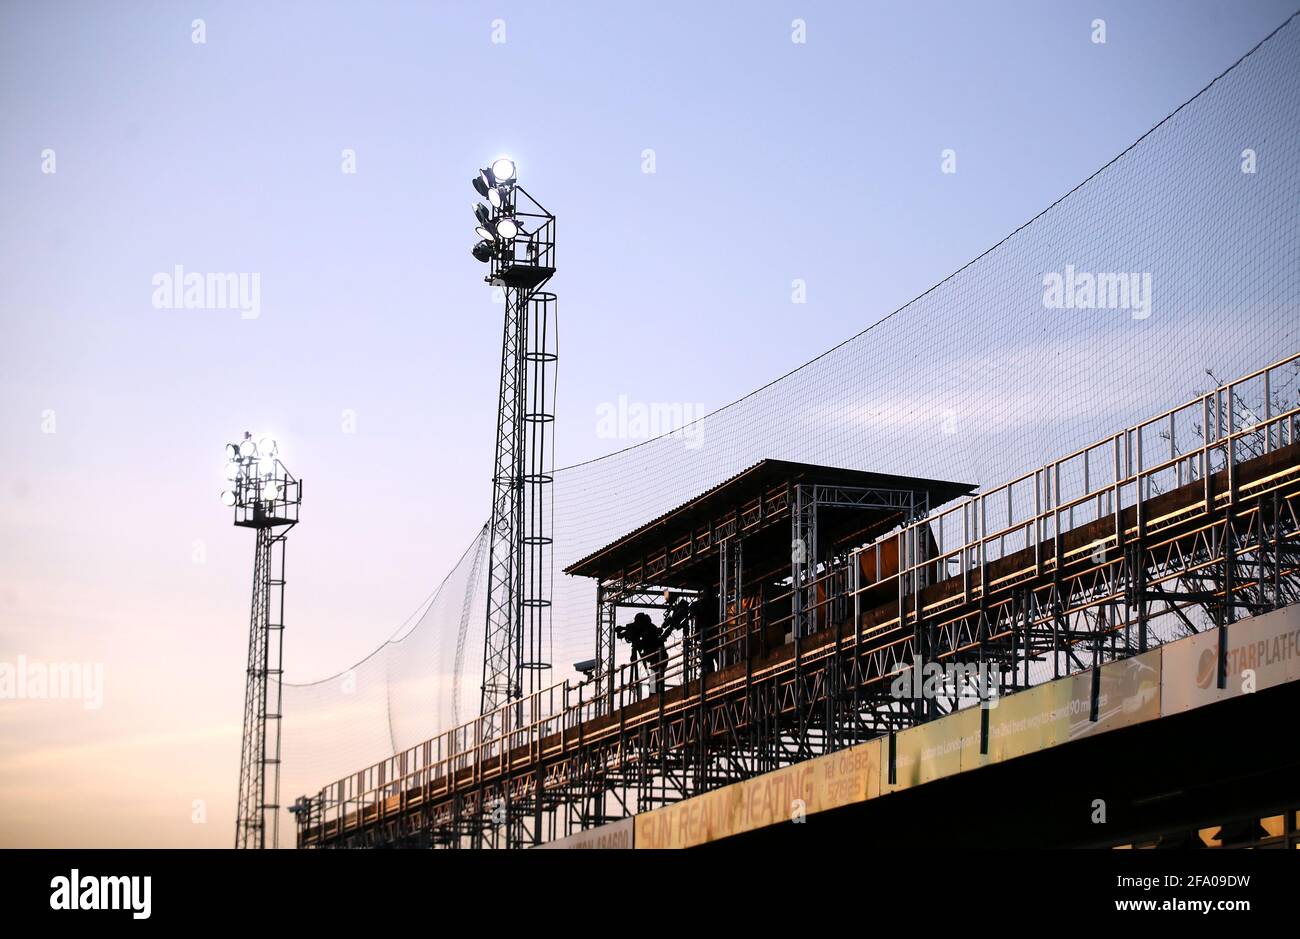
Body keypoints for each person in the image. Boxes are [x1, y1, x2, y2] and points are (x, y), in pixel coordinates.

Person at [690, 586, 719, 676]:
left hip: (710, 636)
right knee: (711, 659)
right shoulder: (714, 602)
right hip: (711, 636)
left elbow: (694, 612)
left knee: (710, 659)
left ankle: (654, 689)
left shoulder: (705, 604)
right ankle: (653, 689)